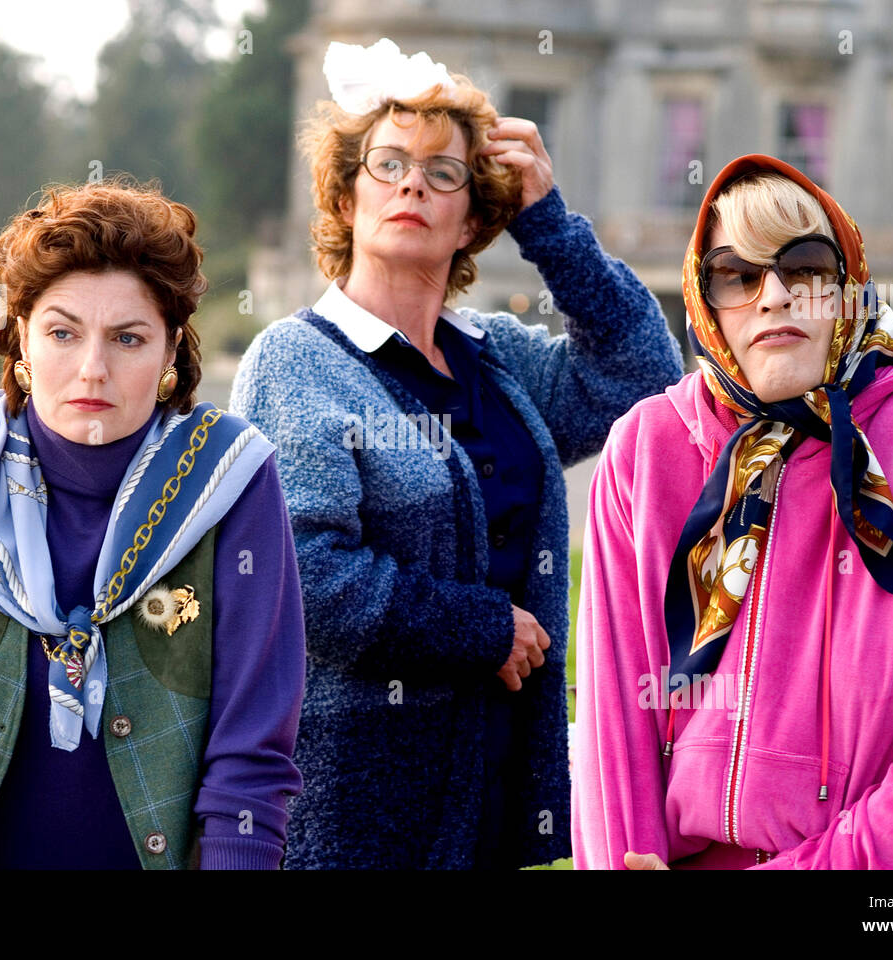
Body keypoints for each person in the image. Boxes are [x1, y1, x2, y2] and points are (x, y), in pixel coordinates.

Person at [231, 38, 683, 869]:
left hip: (497, 790)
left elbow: (644, 377)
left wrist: (551, 228)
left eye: (444, 173)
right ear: (344, 196)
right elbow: (301, 573)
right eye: (389, 162)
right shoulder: (296, 362)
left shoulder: (499, 361)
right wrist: (480, 629)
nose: (413, 184)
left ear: (476, 217)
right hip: (358, 810)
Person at [0, 179, 305, 869]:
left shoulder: (234, 481)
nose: (92, 369)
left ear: (171, 353)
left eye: (129, 338)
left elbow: (251, 764)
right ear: (20, 338)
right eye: (62, 332)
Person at [572, 153, 893, 869]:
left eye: (807, 268)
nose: (775, 296)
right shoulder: (644, 448)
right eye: (738, 273)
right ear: (706, 300)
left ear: (848, 288)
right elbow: (613, 736)